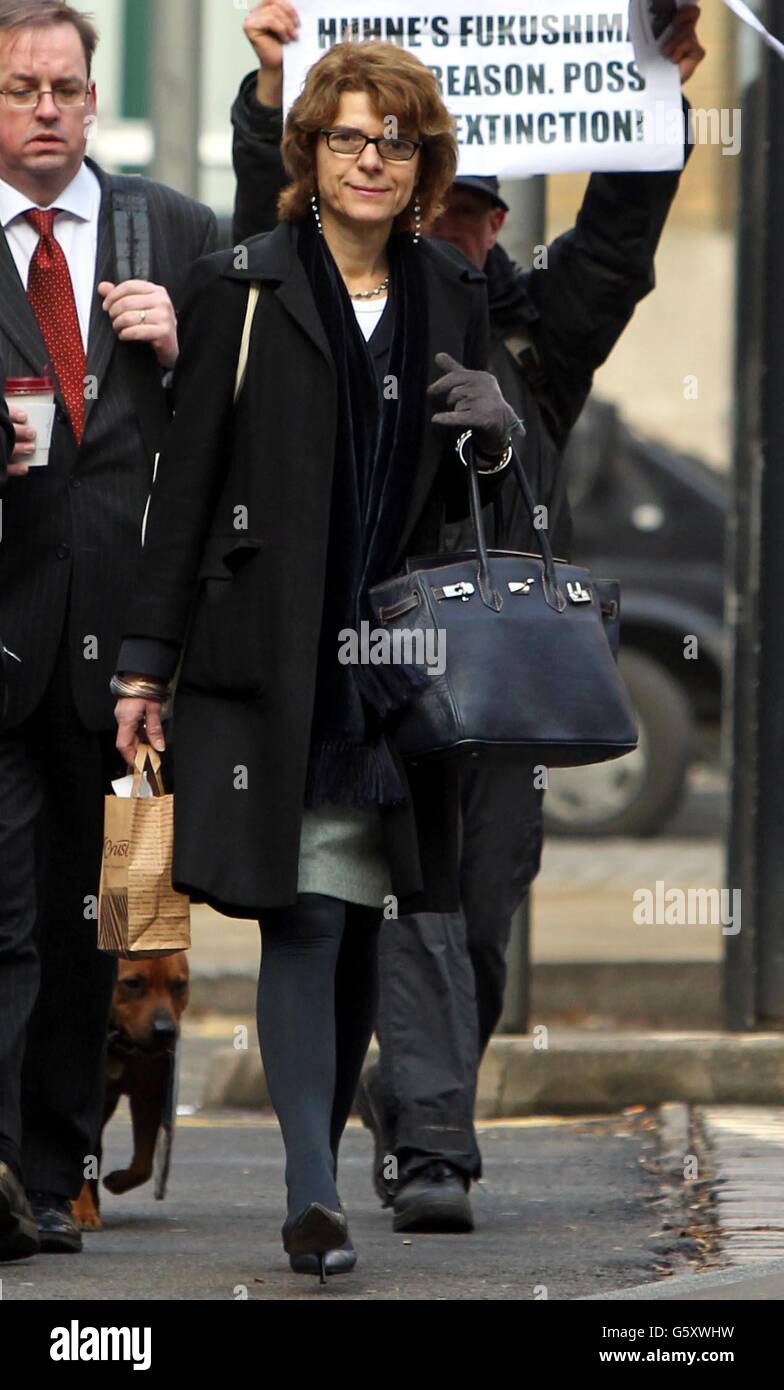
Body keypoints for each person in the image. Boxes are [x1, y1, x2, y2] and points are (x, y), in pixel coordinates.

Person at [229, 2, 706, 1233]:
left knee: (472, 913)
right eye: (448, 204)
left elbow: (614, 245)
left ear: (496, 226)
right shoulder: (329, 304)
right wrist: (270, 92)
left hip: (494, 681)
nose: (459, 223)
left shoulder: (535, 341)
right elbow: (262, 226)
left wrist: (656, 105)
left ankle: (414, 1100)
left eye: (481, 210)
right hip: (366, 660)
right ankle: (428, 1146)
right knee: (358, 904)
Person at [111, 39, 519, 1282]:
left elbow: (486, 494)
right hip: (268, 665)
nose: (371, 160)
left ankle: (321, 1169)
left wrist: (493, 438)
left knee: (361, 921)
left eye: (393, 142)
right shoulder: (237, 284)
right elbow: (184, 490)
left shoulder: (453, 291)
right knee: (301, 920)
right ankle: (308, 1194)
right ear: (311, 155)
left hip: (401, 668)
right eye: (347, 137)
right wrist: (143, 665)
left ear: (422, 162)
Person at [0, 0, 216, 1262]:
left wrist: (183, 354)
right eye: (21, 85)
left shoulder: (171, 231)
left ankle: (57, 1171)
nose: (43, 105)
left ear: (92, 100)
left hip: (116, 653)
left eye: (63, 86)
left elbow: (237, 431)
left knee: (90, 930)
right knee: (5, 918)